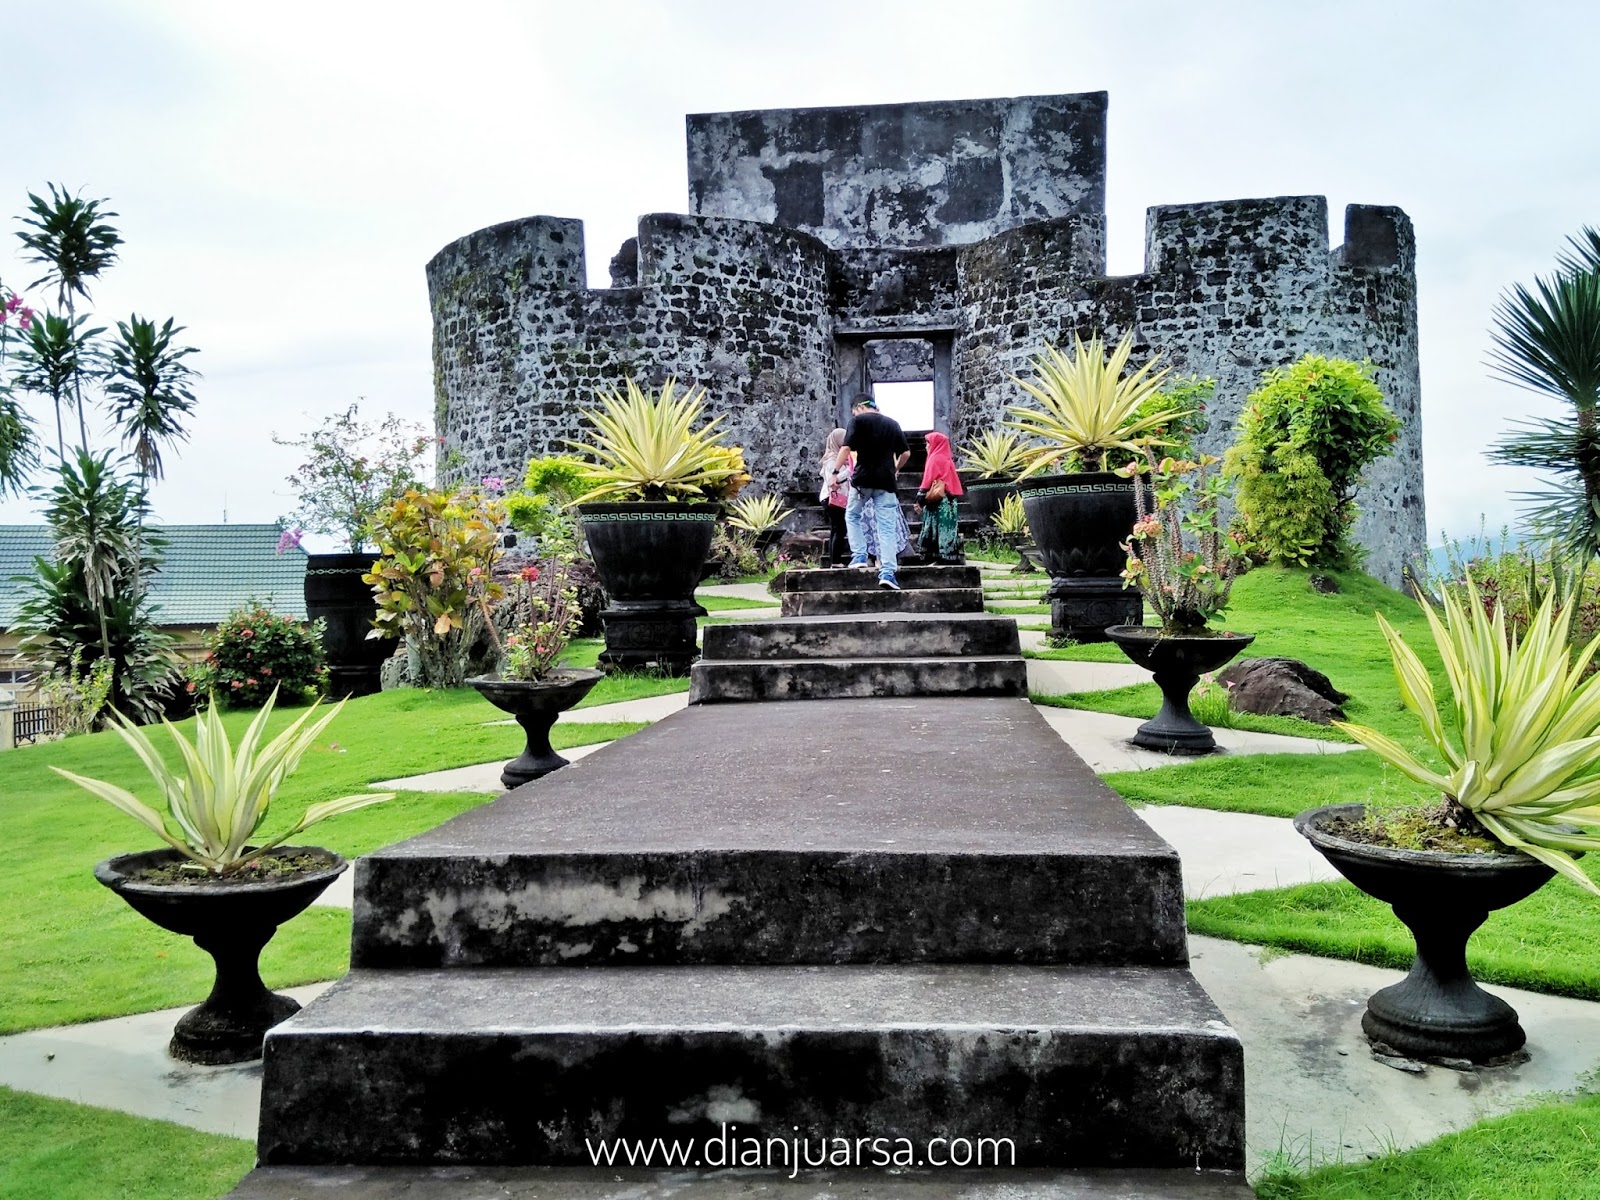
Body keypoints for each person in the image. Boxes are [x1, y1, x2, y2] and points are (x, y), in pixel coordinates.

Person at [836, 394, 910, 589]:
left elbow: (845, 449)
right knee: (886, 528)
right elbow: (906, 453)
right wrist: (896, 468)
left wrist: (835, 473)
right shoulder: (892, 423)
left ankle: (859, 555)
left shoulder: (857, 422)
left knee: (852, 515)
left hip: (862, 480)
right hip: (886, 482)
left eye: (853, 411)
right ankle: (887, 572)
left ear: (859, 407)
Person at [915, 430, 965, 564]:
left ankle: (934, 555)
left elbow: (927, 480)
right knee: (947, 528)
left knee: (933, 528)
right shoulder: (947, 458)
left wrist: (920, 498)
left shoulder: (934, 458)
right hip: (949, 500)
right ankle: (948, 555)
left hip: (937, 501)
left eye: (928, 443)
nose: (926, 446)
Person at [817, 428, 850, 567]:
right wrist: (850, 471)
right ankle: (835, 560)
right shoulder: (831, 459)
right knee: (840, 528)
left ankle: (834, 560)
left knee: (837, 529)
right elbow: (832, 479)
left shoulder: (837, 458)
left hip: (835, 497)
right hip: (832, 498)